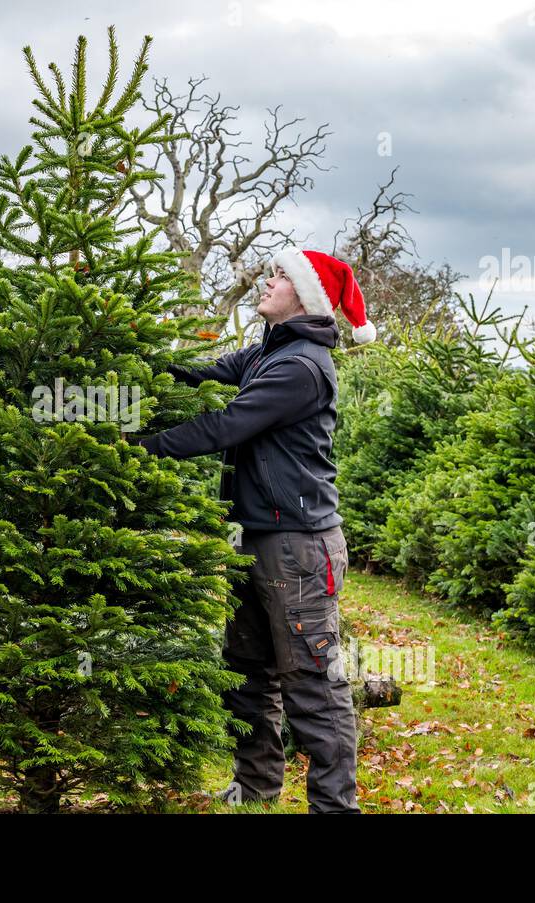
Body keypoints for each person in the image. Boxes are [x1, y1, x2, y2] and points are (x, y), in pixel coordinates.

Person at [130, 247, 376, 813]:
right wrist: (142, 360)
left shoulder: (301, 366)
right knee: (249, 669)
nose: (268, 281)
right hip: (255, 539)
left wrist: (136, 449)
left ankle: (335, 807)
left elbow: (224, 426)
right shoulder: (272, 350)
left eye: (281, 275)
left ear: (306, 296)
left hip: (297, 546)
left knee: (313, 683)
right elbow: (208, 373)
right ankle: (256, 785)